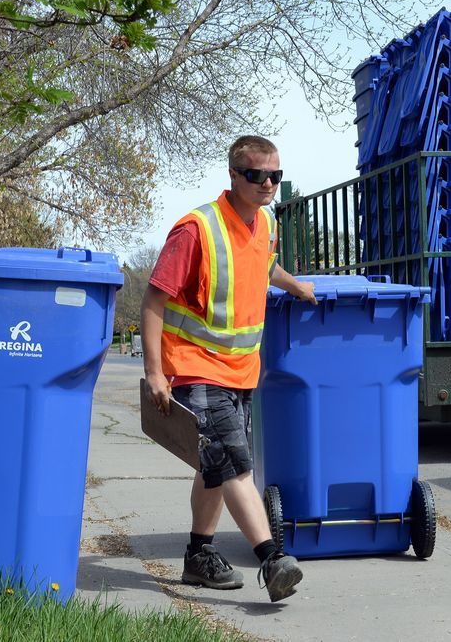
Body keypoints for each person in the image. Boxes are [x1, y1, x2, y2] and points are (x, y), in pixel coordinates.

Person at [141, 135, 317, 603]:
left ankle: (199, 556)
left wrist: (297, 287)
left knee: (214, 468)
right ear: (234, 176)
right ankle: (271, 560)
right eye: (258, 175)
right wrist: (155, 372)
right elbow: (154, 299)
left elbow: (265, 267)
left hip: (242, 372)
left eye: (275, 176)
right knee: (235, 464)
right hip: (196, 368)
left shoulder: (266, 224)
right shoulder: (196, 229)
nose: (269, 184)